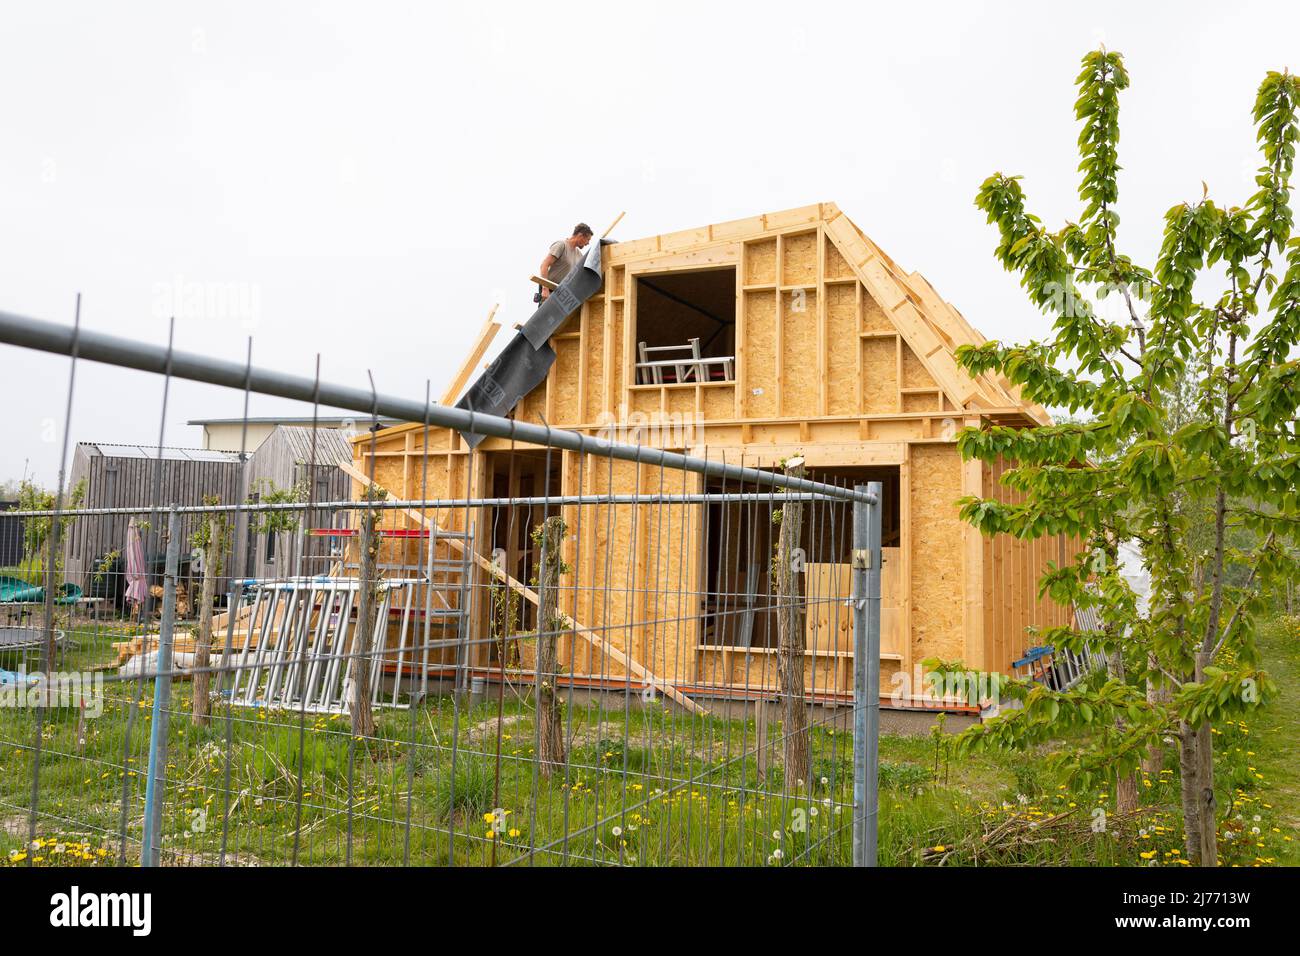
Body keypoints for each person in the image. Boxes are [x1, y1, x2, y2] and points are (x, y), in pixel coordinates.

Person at [538, 223, 593, 299]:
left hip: (562, 293)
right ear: (580, 235)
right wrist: (545, 288)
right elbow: (544, 265)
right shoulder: (561, 245)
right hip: (549, 289)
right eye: (588, 240)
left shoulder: (579, 255)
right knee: (546, 311)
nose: (588, 243)